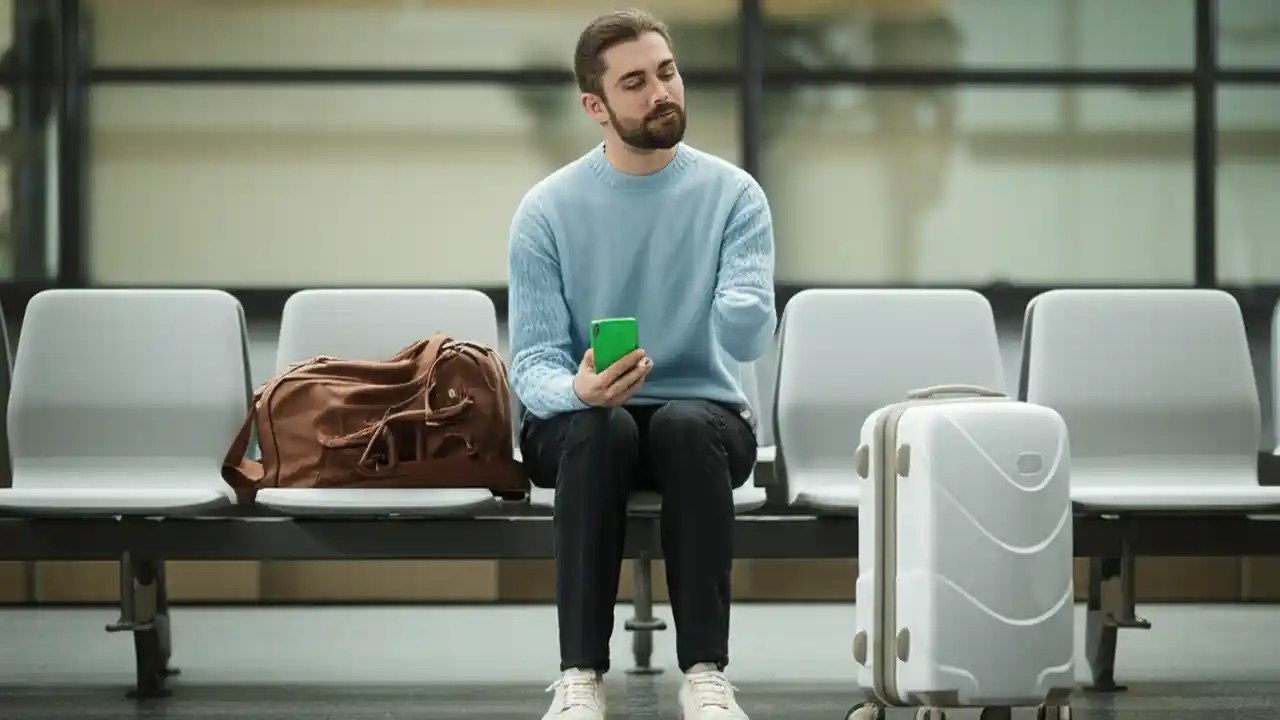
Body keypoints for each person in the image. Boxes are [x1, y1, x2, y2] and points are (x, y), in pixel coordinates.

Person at [507, 7, 776, 720]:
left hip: (706, 417)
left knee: (684, 424)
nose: (662, 92)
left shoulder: (734, 197)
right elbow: (529, 363)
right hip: (580, 416)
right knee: (604, 429)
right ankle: (580, 676)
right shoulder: (545, 211)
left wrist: (743, 303)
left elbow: (748, 343)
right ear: (595, 106)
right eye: (636, 82)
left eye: (668, 72)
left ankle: (707, 673)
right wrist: (578, 386)